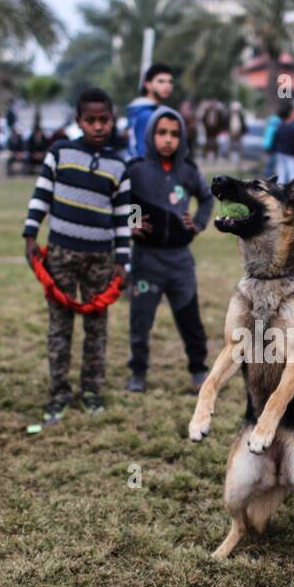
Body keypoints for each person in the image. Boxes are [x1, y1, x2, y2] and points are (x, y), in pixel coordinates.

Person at [22, 87, 131, 418]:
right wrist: (30, 235)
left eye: (104, 120)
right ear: (78, 121)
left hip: (100, 259)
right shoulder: (60, 153)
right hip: (61, 255)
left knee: (96, 328)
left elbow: (122, 218)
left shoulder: (118, 167)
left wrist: (123, 260)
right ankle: (58, 393)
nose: (98, 126)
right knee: (60, 326)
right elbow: (41, 196)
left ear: (112, 121)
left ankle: (92, 391)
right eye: (91, 120)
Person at [121, 106, 214, 395]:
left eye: (175, 134)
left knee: (190, 319)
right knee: (140, 320)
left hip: (180, 262)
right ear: (151, 135)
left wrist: (197, 223)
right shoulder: (136, 169)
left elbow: (207, 197)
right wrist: (131, 223)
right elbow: (122, 200)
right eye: (162, 133)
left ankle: (199, 371)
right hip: (146, 259)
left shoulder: (188, 170)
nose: (168, 139)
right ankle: (138, 372)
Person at [124, 63, 174, 161]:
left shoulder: (143, 110)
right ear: (147, 85)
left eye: (170, 82)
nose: (167, 86)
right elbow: (143, 150)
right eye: (161, 81)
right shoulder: (147, 114)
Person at [274, 105, 294, 180]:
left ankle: (279, 191)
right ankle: (293, 191)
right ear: (290, 114)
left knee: (281, 175)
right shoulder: (293, 128)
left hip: (280, 153)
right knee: (293, 176)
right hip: (291, 155)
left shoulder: (279, 126)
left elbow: (276, 141)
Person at [228, 100, 246, 170]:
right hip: (231, 133)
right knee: (231, 147)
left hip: (239, 134)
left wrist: (243, 132)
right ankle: (231, 160)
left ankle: (239, 161)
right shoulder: (230, 116)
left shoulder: (241, 116)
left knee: (239, 147)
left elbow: (243, 125)